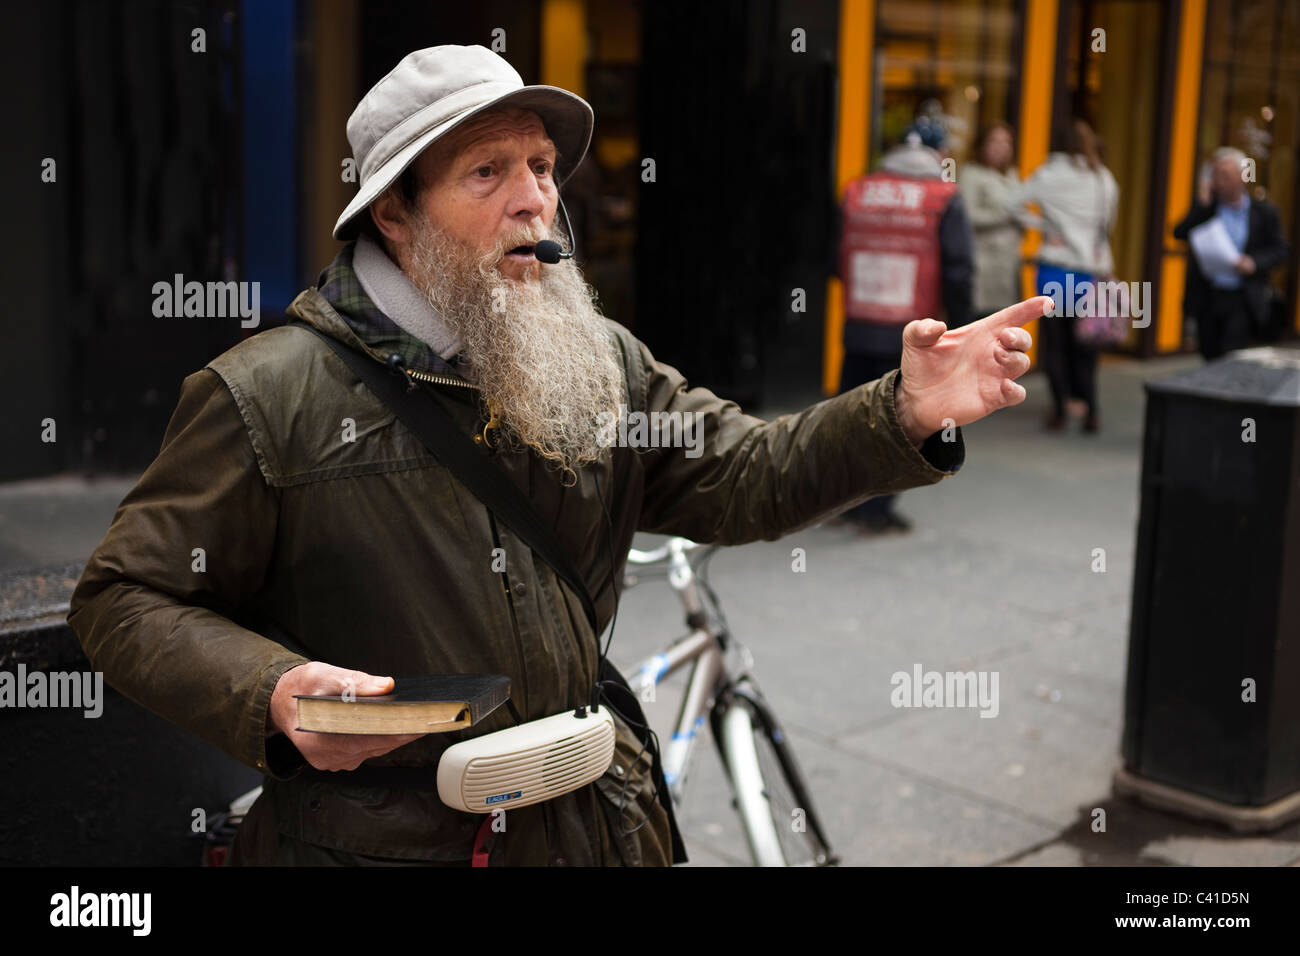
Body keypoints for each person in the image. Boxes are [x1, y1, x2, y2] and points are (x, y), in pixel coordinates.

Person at [68, 45, 1046, 866]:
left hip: (593, 826)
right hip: (377, 846)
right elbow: (121, 599)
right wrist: (272, 692)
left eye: (541, 166)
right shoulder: (266, 394)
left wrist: (901, 412)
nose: (535, 200)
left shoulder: (596, 357)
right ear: (394, 215)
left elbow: (744, 470)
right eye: (485, 173)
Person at [834, 120, 974, 533]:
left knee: (848, 415)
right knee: (896, 422)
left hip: (859, 324)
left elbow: (833, 256)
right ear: (938, 153)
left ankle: (840, 502)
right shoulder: (944, 197)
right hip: (913, 332)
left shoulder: (857, 190)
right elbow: (960, 268)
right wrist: (961, 326)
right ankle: (874, 513)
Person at [1006, 118, 1117, 434]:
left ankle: (1059, 409)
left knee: (1054, 343)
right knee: (1086, 345)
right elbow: (1107, 226)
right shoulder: (1104, 179)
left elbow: (1008, 203)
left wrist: (1044, 226)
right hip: (1090, 273)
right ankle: (1091, 409)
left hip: (1055, 270)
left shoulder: (1049, 174)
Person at [1173, 146, 1290, 360]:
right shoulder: (1207, 207)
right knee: (1209, 357)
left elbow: (1281, 250)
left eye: (1224, 175)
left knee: (1232, 357)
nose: (1218, 181)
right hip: (1209, 298)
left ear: (1241, 178)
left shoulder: (1264, 212)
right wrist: (1202, 205)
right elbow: (1179, 233)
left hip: (1243, 299)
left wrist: (1254, 263)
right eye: (1215, 175)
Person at [961, 122, 1024, 320]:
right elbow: (966, 216)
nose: (1001, 146)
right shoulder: (971, 174)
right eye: (995, 141)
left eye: (1006, 142)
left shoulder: (1013, 174)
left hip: (1008, 267)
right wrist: (1004, 215)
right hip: (982, 268)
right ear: (983, 145)